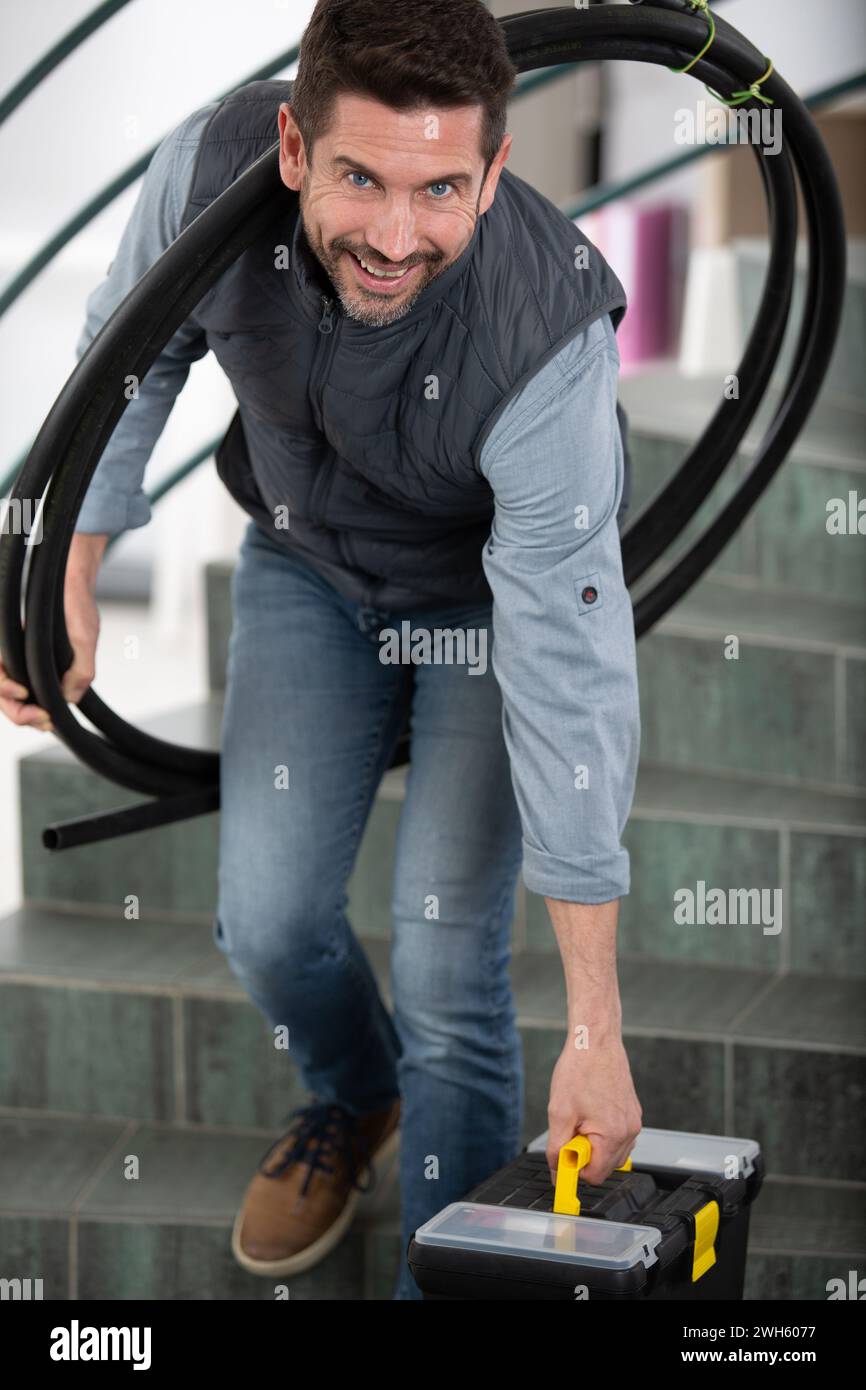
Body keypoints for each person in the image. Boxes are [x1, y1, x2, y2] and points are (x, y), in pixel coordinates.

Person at [0, 0, 642, 1301]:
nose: (394, 236)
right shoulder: (203, 175)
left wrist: (595, 1022)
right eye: (358, 177)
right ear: (294, 147)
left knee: (446, 954)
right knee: (269, 918)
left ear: (493, 173)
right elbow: (121, 366)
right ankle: (358, 1097)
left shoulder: (544, 333)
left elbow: (567, 665)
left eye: (439, 190)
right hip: (308, 566)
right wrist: (65, 574)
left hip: (479, 610)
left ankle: (440, 1279)